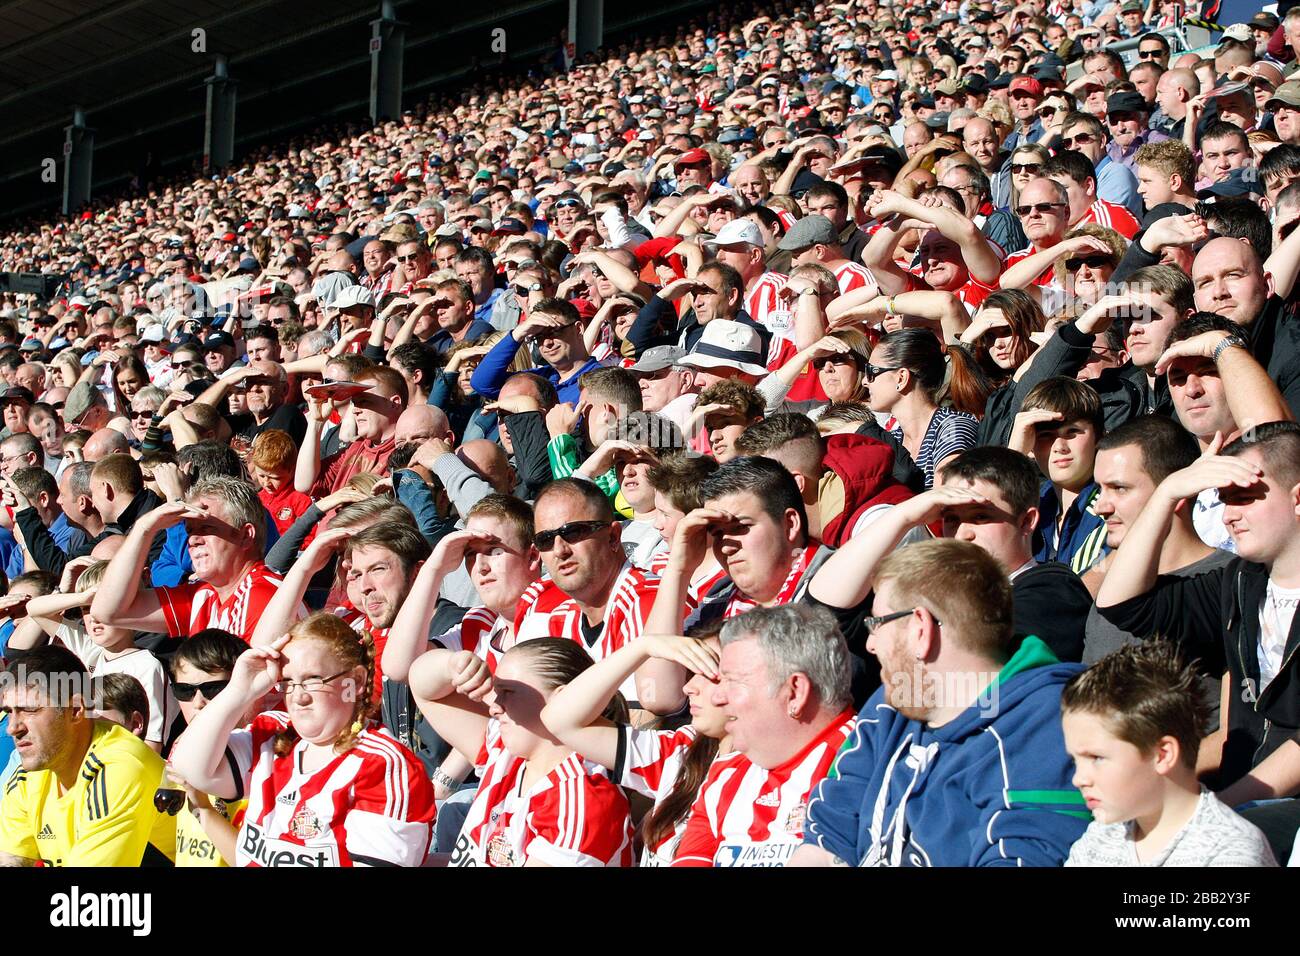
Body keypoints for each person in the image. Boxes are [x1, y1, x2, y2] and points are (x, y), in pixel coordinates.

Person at [791, 539, 1089, 867]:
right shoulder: (890, 708)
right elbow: (827, 837)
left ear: (920, 628)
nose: (871, 644)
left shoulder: (1044, 728)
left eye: (876, 624)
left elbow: (1025, 855)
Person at [1097, 422, 1300, 855]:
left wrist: (1217, 810)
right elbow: (1120, 603)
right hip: (1241, 802)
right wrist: (1168, 494)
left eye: (1243, 497)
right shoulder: (1239, 583)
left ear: (1299, 498)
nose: (1228, 515)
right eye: (1225, 500)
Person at [168, 612, 437, 867]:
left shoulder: (385, 764)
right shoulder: (273, 732)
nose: (298, 696)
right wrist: (240, 690)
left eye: (312, 680)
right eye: (288, 682)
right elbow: (189, 767)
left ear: (355, 681)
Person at [409, 636, 635, 866]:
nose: (495, 707)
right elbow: (422, 686)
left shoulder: (582, 801)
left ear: (561, 699)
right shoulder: (507, 752)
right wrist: (454, 665)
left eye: (508, 692)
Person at [666, 603, 855, 866]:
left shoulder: (862, 764)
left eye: (731, 681)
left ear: (795, 692)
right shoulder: (725, 775)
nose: (719, 697)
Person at [1062, 643, 1276, 867]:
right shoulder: (1101, 837)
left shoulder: (1230, 852)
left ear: (1163, 755)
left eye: (1097, 758)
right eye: (1076, 760)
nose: (1079, 779)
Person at [539, 628, 729, 866]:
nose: (688, 687)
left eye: (710, 673)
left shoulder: (772, 773)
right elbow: (559, 720)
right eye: (692, 672)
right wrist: (642, 647)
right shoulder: (678, 751)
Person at [0, 645, 176, 866]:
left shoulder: (119, 766)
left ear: (75, 710)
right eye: (9, 712)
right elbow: (10, 861)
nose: (12, 728)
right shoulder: (28, 776)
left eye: (29, 709)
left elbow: (83, 898)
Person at [513, 479, 669, 713]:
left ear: (614, 537)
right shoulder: (558, 621)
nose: (560, 550)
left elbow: (644, 722)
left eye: (573, 532)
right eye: (545, 540)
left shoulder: (649, 602)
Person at [91, 479, 292, 643]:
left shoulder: (265, 595)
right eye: (190, 531)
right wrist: (145, 527)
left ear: (246, 535)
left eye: (207, 529)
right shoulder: (204, 594)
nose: (193, 540)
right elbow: (107, 612)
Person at [165, 630, 250, 867]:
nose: (198, 702)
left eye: (213, 689)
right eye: (185, 691)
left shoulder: (261, 754)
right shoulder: (180, 746)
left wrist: (204, 808)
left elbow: (252, 861)